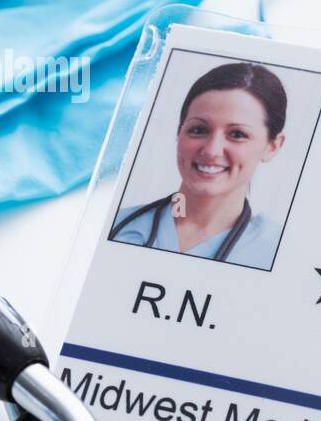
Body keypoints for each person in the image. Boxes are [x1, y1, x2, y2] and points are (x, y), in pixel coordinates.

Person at [110, 61, 288, 269]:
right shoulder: (117, 225)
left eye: (237, 134)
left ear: (273, 146)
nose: (212, 150)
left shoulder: (278, 254)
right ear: (179, 132)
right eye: (198, 130)